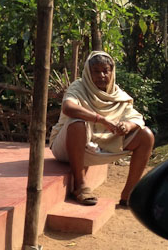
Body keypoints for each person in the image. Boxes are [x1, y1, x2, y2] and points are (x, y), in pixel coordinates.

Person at [49, 51, 154, 206]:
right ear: (88, 72)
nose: (101, 75)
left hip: (103, 146)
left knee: (146, 135)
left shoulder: (118, 95)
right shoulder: (78, 87)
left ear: (112, 72)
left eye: (106, 71)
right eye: (96, 71)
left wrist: (126, 126)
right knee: (77, 122)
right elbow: (68, 107)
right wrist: (101, 119)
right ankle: (80, 186)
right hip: (67, 148)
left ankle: (129, 194)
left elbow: (135, 118)